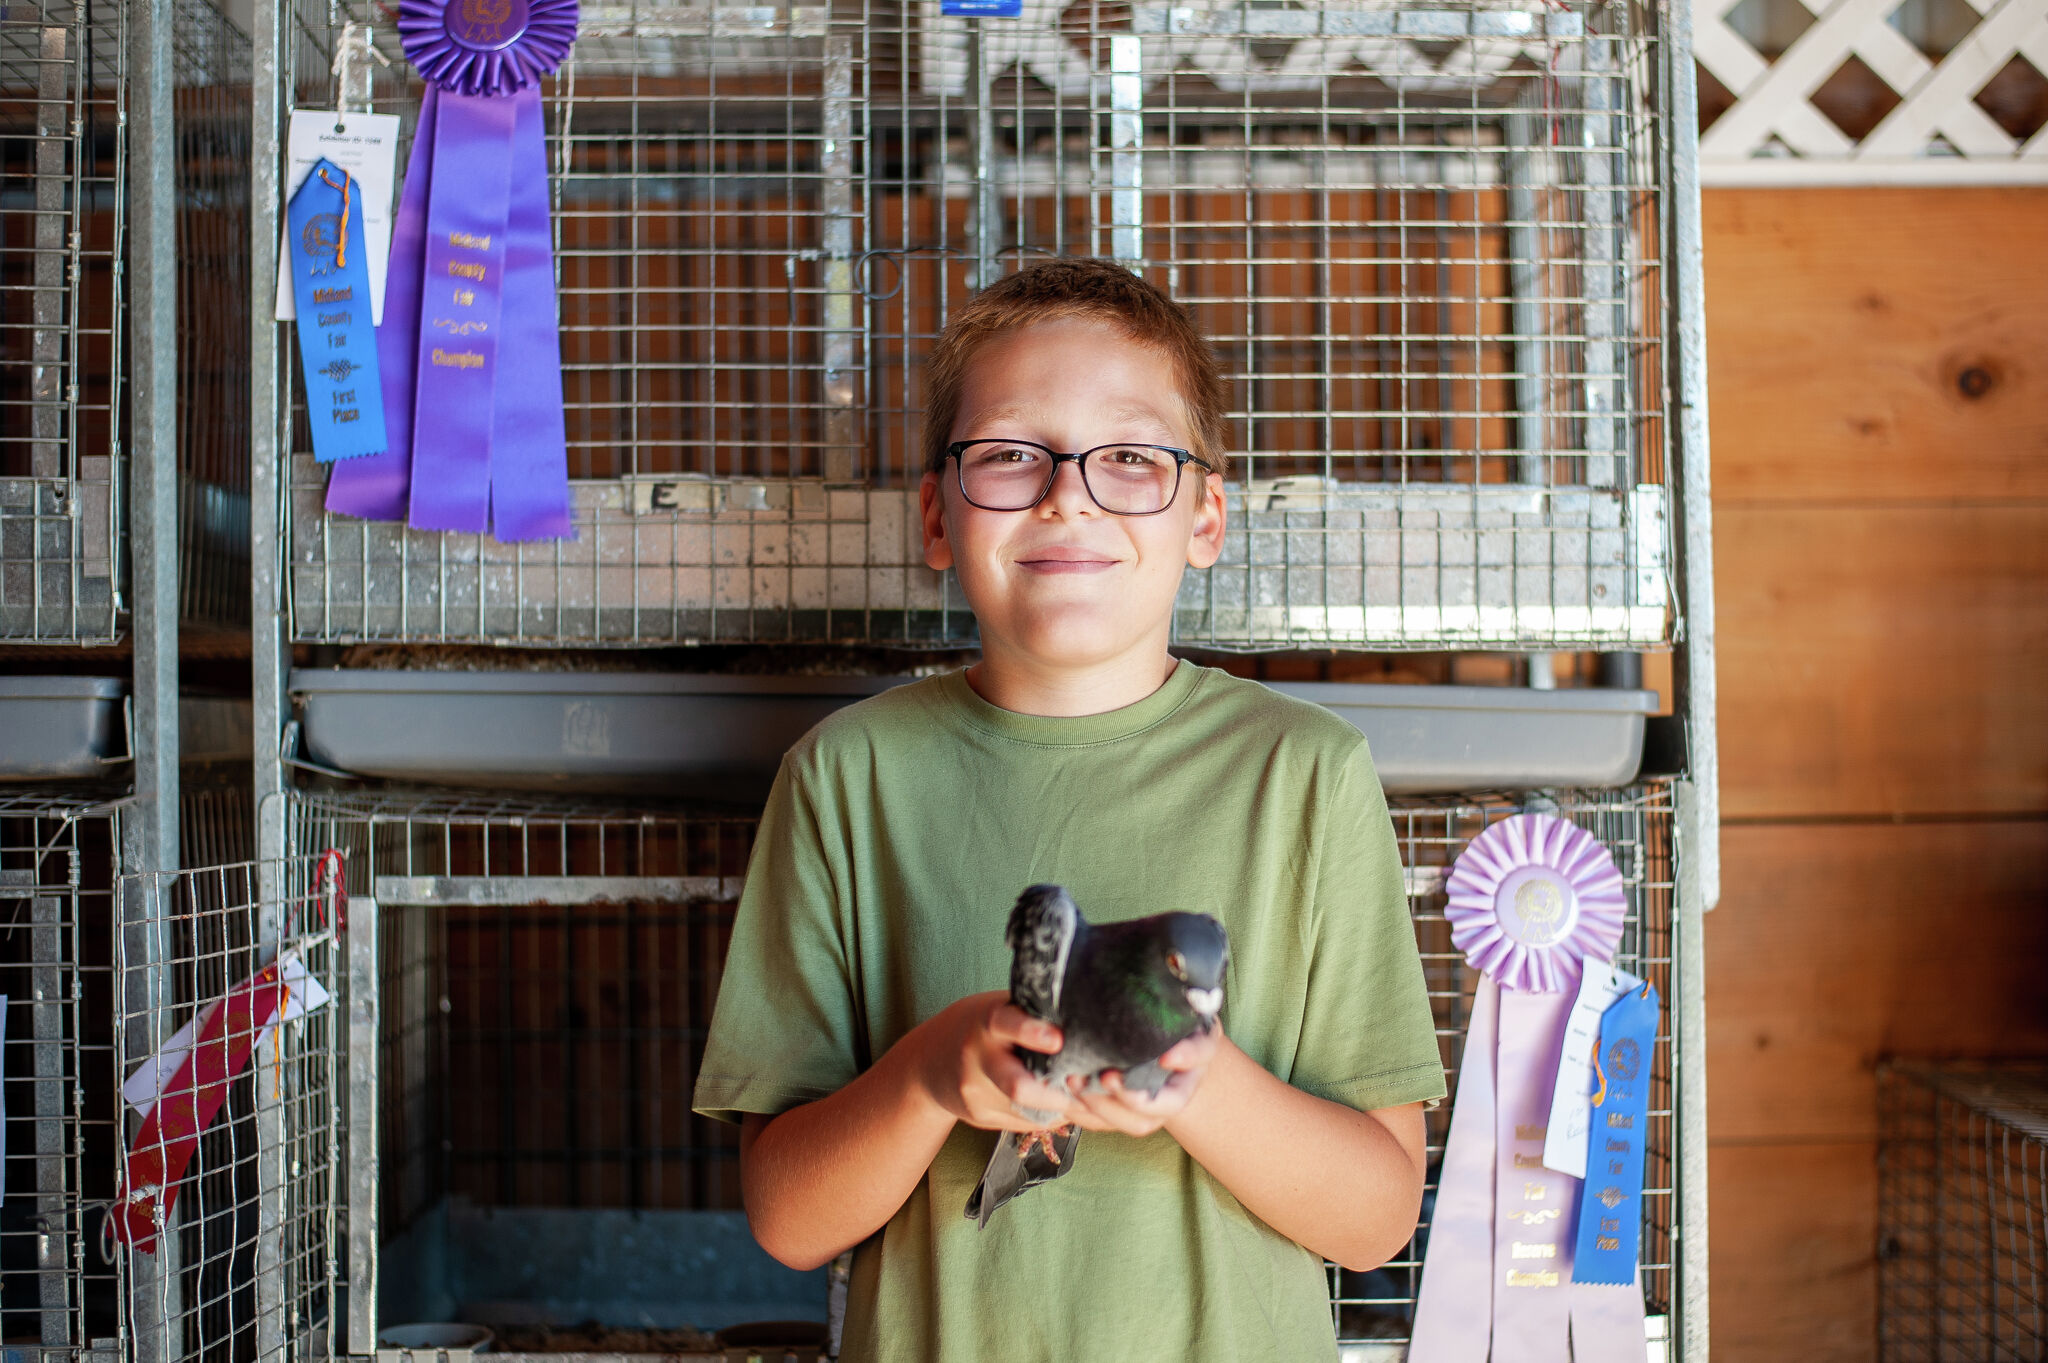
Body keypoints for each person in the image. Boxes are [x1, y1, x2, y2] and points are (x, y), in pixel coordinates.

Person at [692, 258, 1445, 1362]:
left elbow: (1376, 1221)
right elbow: (791, 1220)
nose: (1066, 494)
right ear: (937, 517)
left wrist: (1191, 1080)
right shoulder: (844, 776)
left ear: (1205, 515)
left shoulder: (1305, 773)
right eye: (1007, 454)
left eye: (1130, 459)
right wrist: (932, 1070)